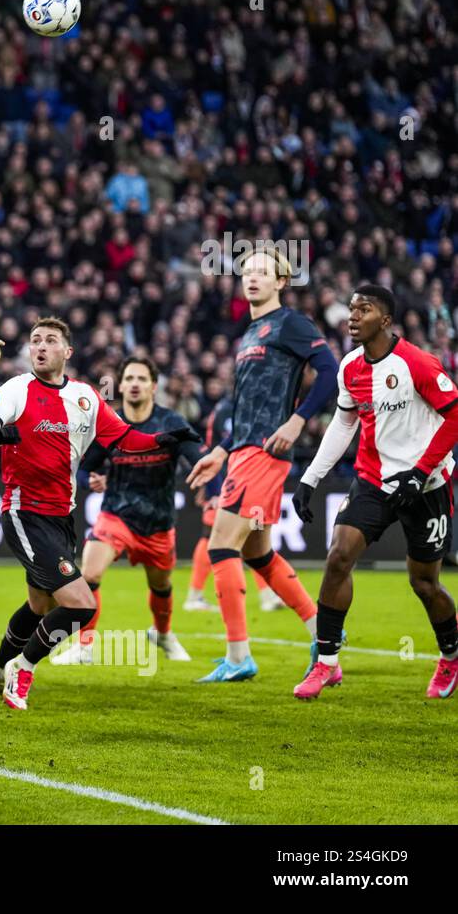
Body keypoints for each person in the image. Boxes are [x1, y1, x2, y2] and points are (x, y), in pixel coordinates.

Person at [0, 317, 198, 710]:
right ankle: (23, 667)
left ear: (68, 352)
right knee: (82, 605)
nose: (41, 347)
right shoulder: (17, 389)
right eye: (35, 341)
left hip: (62, 517)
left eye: (50, 340)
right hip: (25, 513)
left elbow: (122, 437)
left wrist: (161, 439)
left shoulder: (85, 397)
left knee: (40, 607)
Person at [291, 286, 458, 700]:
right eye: (350, 309)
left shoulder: (417, 363)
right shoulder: (350, 367)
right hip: (373, 480)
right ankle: (326, 663)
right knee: (338, 557)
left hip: (426, 484)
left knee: (424, 584)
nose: (352, 316)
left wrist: (420, 472)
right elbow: (344, 424)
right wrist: (311, 478)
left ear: (385, 320)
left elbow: (454, 417)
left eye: (363, 310)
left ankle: (451, 656)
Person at [187, 248, 340, 682]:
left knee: (221, 545)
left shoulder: (290, 323)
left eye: (262, 272)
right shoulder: (251, 332)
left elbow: (329, 370)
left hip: (266, 452)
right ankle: (322, 638)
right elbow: (246, 406)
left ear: (280, 282)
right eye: (246, 272)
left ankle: (239, 657)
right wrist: (221, 451)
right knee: (258, 553)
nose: (252, 278)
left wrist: (297, 420)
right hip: (243, 450)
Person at [50, 356, 199, 666]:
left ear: (154, 387)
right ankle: (85, 646)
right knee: (89, 574)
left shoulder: (172, 423)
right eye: (129, 378)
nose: (134, 384)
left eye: (142, 379)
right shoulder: (109, 424)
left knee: (160, 585)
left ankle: (162, 634)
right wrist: (90, 478)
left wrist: (208, 482)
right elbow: (82, 469)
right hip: (116, 514)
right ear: (120, 384)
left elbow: (195, 457)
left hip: (158, 522)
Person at [183, 394, 277, 613]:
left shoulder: (245, 408)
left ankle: (266, 595)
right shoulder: (226, 410)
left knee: (250, 535)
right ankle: (195, 596)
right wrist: (212, 488)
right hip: (226, 482)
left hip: (244, 480)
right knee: (217, 536)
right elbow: (211, 448)